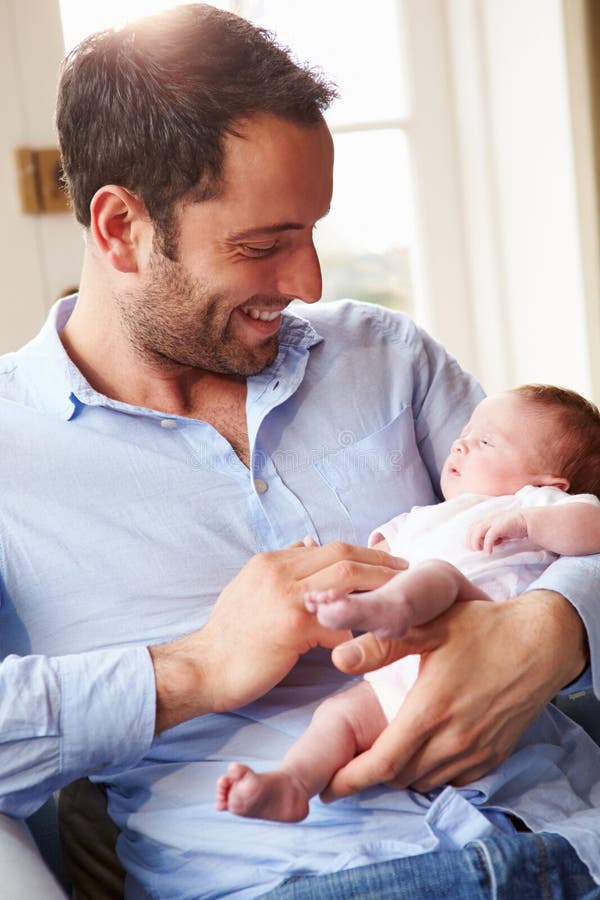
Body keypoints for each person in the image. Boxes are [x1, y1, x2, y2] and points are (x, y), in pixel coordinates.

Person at [0, 4, 599, 897]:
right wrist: (192, 669)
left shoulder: (388, 359)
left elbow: (557, 523)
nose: (309, 283)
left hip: (570, 833)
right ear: (120, 227)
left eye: (313, 231)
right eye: (262, 246)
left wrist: (559, 627)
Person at [216, 384, 600, 823]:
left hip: (480, 633)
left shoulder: (532, 503)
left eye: (486, 442)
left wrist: (530, 521)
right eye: (466, 432)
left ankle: (386, 609)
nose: (461, 443)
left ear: (547, 482)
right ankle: (291, 783)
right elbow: (370, 563)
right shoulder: (420, 517)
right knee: (338, 717)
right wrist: (312, 566)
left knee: (439, 576)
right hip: (400, 669)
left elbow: (594, 527)